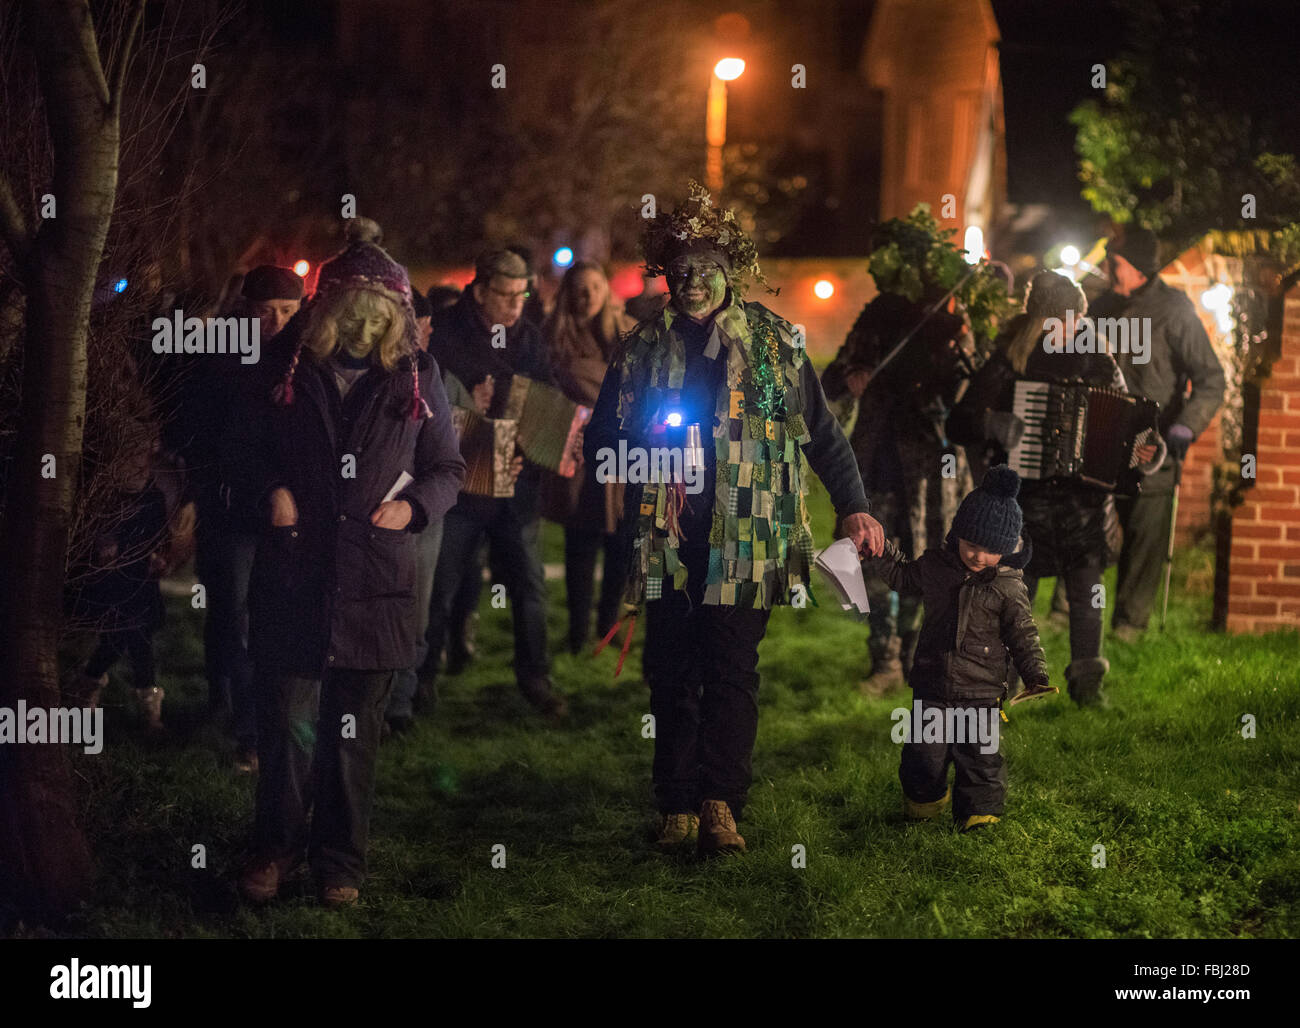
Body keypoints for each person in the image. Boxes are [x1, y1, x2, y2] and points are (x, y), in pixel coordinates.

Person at [586, 181, 884, 855]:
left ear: (730, 274)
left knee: (730, 668)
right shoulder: (639, 350)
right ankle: (676, 802)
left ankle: (722, 802)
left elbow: (821, 433)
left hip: (748, 535)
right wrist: (646, 453)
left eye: (706, 269)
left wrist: (854, 506)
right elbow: (602, 444)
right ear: (666, 274)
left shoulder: (775, 344)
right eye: (681, 269)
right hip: (666, 537)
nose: (693, 282)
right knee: (670, 671)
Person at [228, 240, 464, 908]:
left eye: (379, 314)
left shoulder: (416, 375)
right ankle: (275, 849)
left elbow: (447, 467)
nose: (365, 327)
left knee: (352, 735)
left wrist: (412, 508)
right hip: (295, 571)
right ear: (327, 310)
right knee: (286, 726)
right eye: (354, 312)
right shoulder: (284, 366)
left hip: (373, 579)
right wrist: (270, 492)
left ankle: (339, 861)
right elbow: (239, 452)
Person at [947, 272, 1162, 706]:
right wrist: (993, 424)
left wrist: (1147, 450)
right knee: (1014, 597)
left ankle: (1088, 687)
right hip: (1023, 506)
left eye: (1077, 318)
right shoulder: (1010, 357)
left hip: (1084, 507)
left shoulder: (1097, 357)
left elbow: (1129, 425)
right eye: (1065, 319)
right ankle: (1000, 687)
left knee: (1087, 597)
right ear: (1039, 319)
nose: (1075, 327)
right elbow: (959, 421)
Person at [821, 212, 981, 697]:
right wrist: (852, 376)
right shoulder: (879, 314)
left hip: (932, 466)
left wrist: (941, 362)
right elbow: (833, 377)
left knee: (924, 558)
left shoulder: (950, 316)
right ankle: (884, 659)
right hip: (878, 458)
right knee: (873, 557)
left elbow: (966, 391)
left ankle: (916, 658)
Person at [863, 465, 1050, 832]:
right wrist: (881, 551)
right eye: (971, 545)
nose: (978, 556)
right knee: (923, 753)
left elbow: (1023, 634)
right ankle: (926, 798)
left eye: (990, 550)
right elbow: (903, 576)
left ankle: (979, 813)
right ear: (957, 535)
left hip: (982, 691)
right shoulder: (936, 567)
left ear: (1006, 548)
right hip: (933, 684)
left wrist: (1036, 674)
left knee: (980, 757)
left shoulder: (1009, 587)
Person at [425, 249, 567, 718]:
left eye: (521, 296)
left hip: (514, 486)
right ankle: (419, 684)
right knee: (439, 586)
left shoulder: (528, 337)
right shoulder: (445, 333)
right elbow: (426, 399)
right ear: (480, 290)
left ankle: (535, 678)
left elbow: (546, 394)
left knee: (529, 586)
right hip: (459, 487)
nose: (514, 306)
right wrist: (468, 404)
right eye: (505, 295)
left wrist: (530, 445)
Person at [1089, 228, 1225, 640]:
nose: (1107, 268)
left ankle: (1129, 625)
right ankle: (1070, 613)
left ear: (1138, 268)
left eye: (1115, 262)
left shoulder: (1175, 310)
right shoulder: (1100, 308)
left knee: (1145, 533)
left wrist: (1185, 427)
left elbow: (1211, 379)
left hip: (1153, 443)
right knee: (1087, 527)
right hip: (1098, 440)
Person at [543, 260, 635, 652]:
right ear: (568, 293)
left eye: (596, 286)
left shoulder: (629, 333)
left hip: (625, 450)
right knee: (580, 542)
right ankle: (578, 631)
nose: (589, 296)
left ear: (607, 289)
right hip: (579, 452)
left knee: (622, 542)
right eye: (581, 288)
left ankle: (608, 625)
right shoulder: (554, 338)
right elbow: (544, 393)